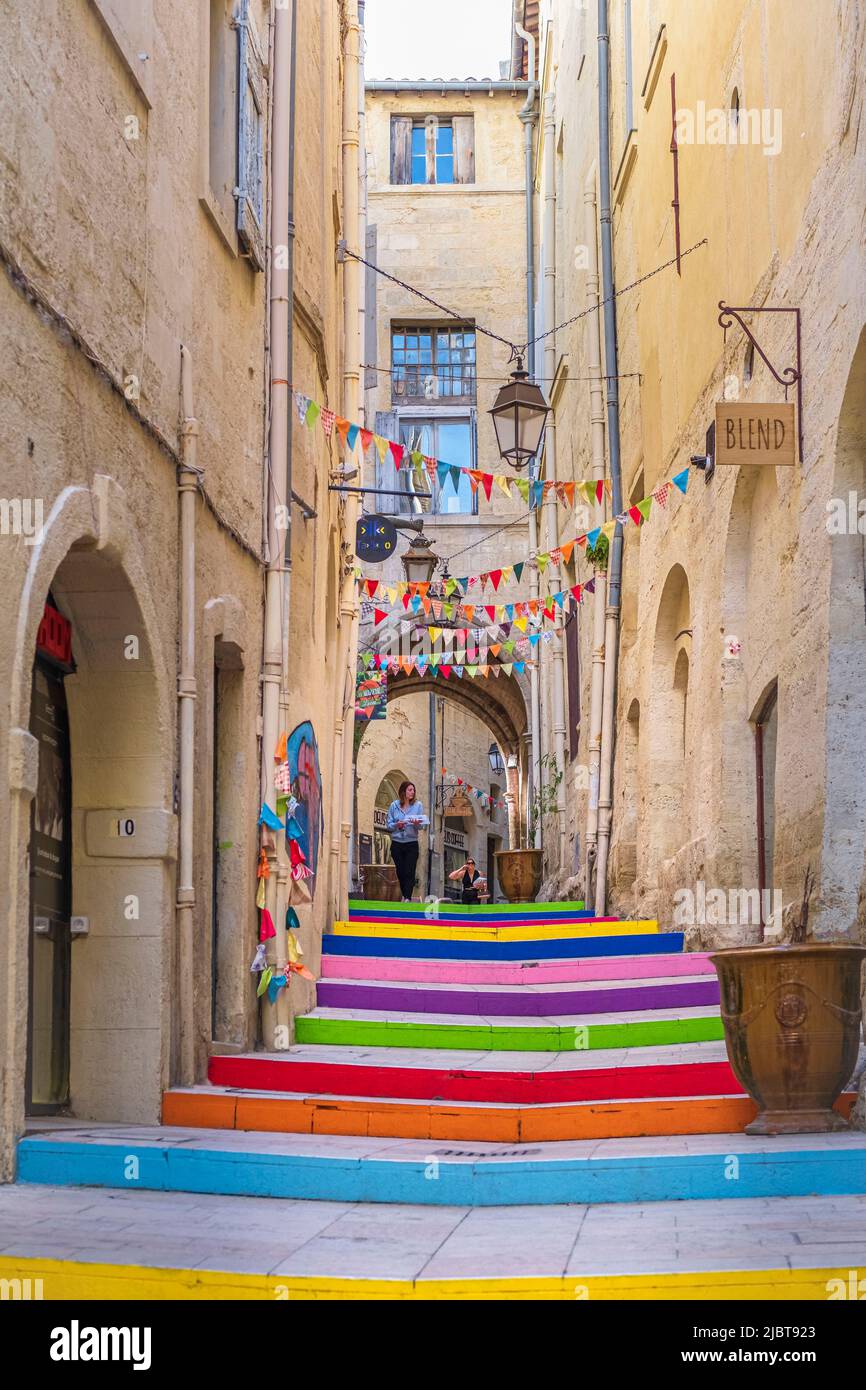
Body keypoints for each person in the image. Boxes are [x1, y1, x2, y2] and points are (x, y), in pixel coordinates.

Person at [386, 781, 429, 901]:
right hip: (397, 843)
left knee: (409, 870)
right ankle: (405, 894)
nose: (412, 792)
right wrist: (397, 825)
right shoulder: (394, 806)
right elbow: (388, 825)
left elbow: (421, 826)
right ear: (403, 791)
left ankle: (407, 897)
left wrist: (416, 824)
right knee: (400, 871)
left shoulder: (418, 805)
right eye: (410, 790)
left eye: (413, 790)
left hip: (411, 843)